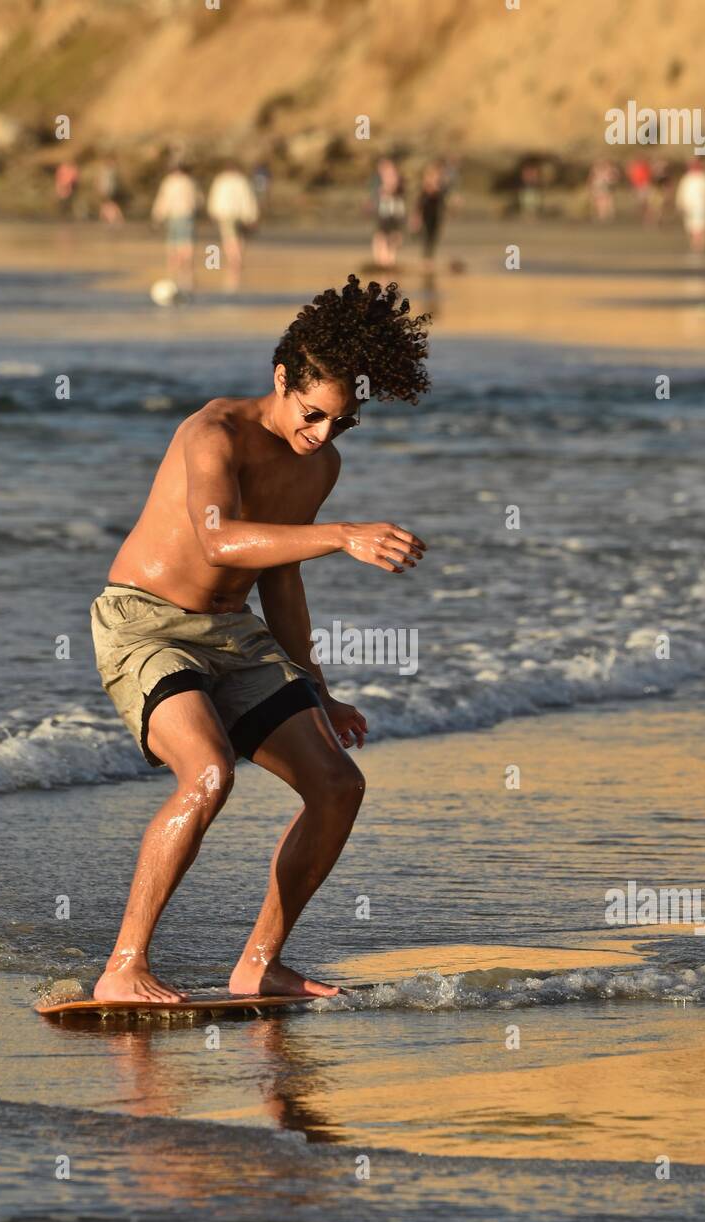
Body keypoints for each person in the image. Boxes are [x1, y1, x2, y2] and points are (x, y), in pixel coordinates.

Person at [89, 275, 431, 1004]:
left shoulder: (321, 464)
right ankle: (123, 968)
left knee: (338, 785)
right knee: (210, 773)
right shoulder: (212, 432)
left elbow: (280, 579)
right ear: (281, 378)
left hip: (234, 635)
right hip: (146, 623)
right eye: (313, 416)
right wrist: (341, 535)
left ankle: (260, 964)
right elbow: (218, 541)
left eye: (341, 424)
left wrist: (319, 690)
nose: (322, 436)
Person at [206, 162, 259, 289]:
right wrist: (252, 214)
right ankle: (238, 259)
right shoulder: (242, 181)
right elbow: (249, 198)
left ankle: (233, 260)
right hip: (241, 213)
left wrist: (212, 211)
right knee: (240, 238)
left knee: (229, 238)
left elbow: (215, 197)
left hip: (225, 213)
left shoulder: (220, 180)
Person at [151, 160, 200, 292]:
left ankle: (174, 267)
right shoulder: (189, 181)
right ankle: (187, 266)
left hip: (173, 214)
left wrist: (158, 215)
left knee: (173, 241)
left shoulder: (168, 182)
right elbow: (197, 199)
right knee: (186, 240)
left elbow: (162, 199)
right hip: (186, 214)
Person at [675, 157, 705, 253]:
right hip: (689, 206)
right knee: (691, 226)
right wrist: (680, 203)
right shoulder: (687, 178)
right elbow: (682, 192)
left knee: (702, 225)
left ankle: (699, 244)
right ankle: (695, 242)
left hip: (703, 205)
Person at [371, 156, 407, 268]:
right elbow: (377, 194)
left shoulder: (397, 178)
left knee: (394, 235)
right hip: (384, 211)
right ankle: (380, 259)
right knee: (381, 235)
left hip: (395, 211)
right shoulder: (378, 180)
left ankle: (390, 259)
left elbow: (398, 191)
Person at [413, 159, 450, 266]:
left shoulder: (440, 188)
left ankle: (429, 258)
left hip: (436, 214)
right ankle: (426, 259)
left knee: (434, 235)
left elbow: (443, 202)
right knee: (427, 235)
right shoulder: (425, 189)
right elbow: (419, 204)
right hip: (427, 214)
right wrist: (417, 217)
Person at [96, 157, 124, 225]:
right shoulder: (107, 171)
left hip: (109, 190)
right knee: (108, 204)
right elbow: (100, 180)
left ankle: (110, 218)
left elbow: (101, 180)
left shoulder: (110, 171)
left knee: (108, 204)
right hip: (107, 189)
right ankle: (107, 218)